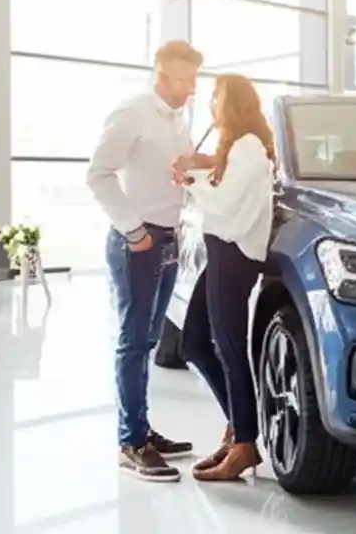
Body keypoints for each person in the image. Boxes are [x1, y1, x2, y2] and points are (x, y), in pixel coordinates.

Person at [87, 40, 203, 482]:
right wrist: (133, 230)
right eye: (184, 79)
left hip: (169, 240)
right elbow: (97, 175)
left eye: (193, 79)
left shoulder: (178, 118)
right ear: (161, 74)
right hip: (138, 242)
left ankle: (142, 430)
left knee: (149, 341)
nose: (191, 88)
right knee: (133, 341)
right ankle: (131, 443)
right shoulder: (132, 112)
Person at [170, 74, 276, 482]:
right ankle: (239, 427)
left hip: (233, 254)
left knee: (230, 348)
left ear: (231, 104)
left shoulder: (248, 147)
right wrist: (203, 165)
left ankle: (245, 443)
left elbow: (225, 204)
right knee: (195, 342)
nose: (210, 104)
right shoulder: (240, 147)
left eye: (216, 98)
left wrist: (190, 180)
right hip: (222, 253)